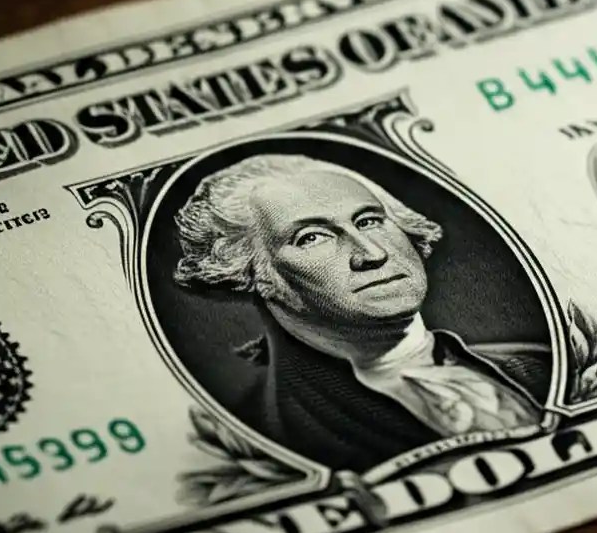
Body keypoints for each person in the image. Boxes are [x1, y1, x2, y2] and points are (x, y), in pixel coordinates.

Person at [173, 154, 549, 472]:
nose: (371, 253)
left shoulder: (538, 367)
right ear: (250, 272)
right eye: (312, 237)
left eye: (370, 221)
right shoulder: (264, 439)